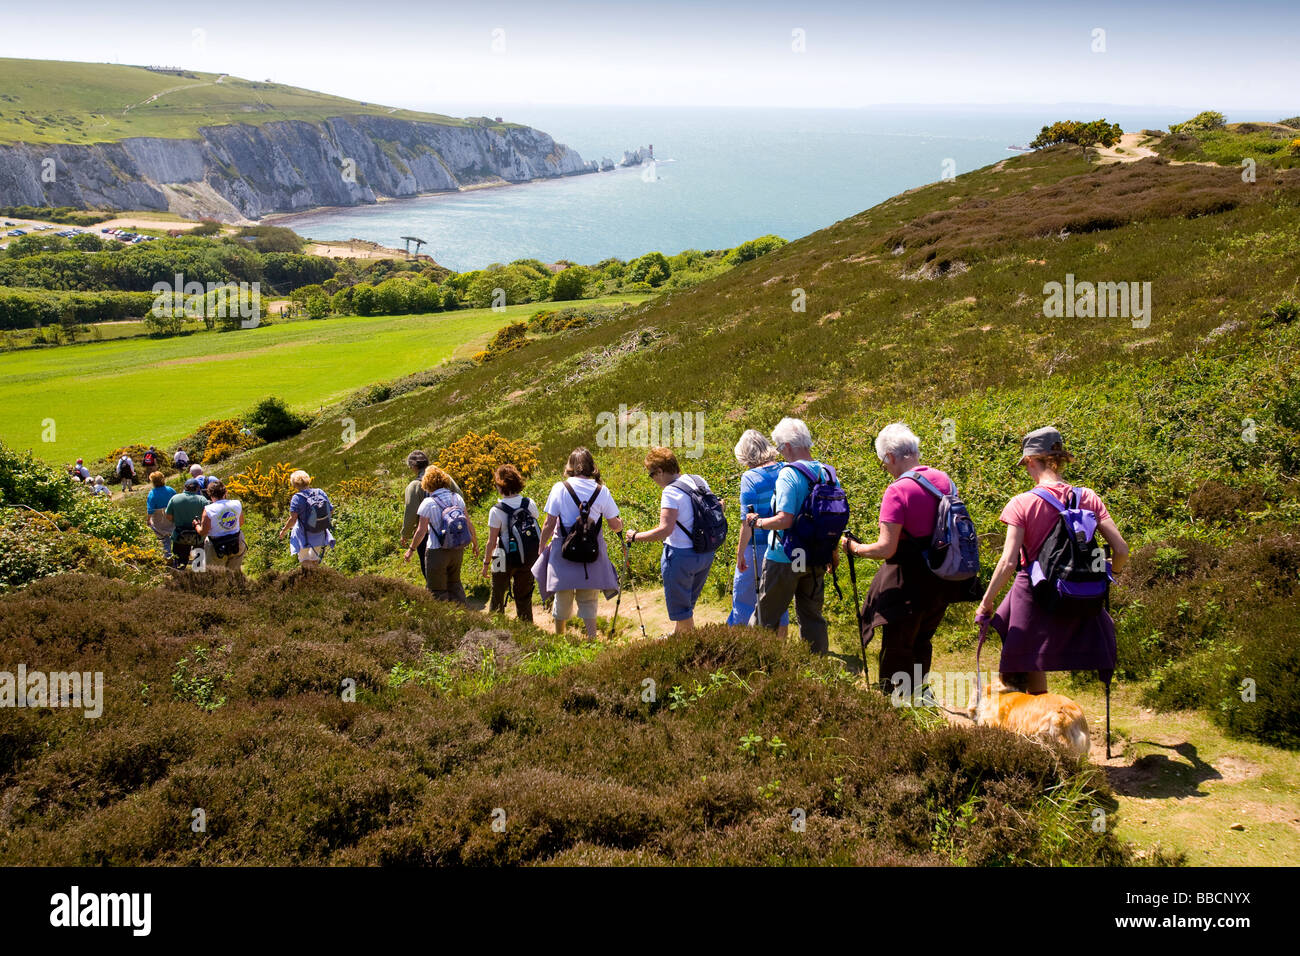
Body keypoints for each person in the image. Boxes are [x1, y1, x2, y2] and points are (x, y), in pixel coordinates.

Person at [976, 427, 1129, 694]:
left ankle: (1037, 724)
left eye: (1025, 464)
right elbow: (1121, 549)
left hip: (1035, 593)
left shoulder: (1021, 503)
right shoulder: (1089, 498)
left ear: (1032, 460)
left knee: (1027, 662)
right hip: (1082, 594)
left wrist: (987, 602)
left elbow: (1008, 563)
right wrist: (1107, 577)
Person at [843, 423, 980, 695]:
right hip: (942, 577)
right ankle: (917, 696)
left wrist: (854, 548)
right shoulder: (945, 480)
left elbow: (886, 549)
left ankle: (894, 704)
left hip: (908, 580)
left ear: (890, 457)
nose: (886, 469)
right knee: (922, 639)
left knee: (898, 643)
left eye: (884, 463)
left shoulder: (897, 490)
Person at [744, 417, 836, 655]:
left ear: (786, 446)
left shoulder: (789, 474)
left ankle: (758, 664)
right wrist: (832, 551)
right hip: (816, 555)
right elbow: (830, 518)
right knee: (812, 616)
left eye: (780, 446)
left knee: (766, 616)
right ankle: (817, 667)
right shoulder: (827, 472)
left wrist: (758, 522)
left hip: (785, 557)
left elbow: (785, 519)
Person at [624, 447, 718, 634]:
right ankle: (678, 636)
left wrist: (635, 536)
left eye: (651, 475)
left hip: (681, 556)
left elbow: (664, 531)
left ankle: (687, 650)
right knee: (687, 603)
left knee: (681, 610)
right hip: (706, 552)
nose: (652, 480)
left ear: (659, 471)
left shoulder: (670, 492)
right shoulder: (698, 480)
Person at [537, 447, 623, 639]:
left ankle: (560, 637)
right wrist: (621, 526)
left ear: (570, 466)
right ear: (592, 466)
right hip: (592, 550)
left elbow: (549, 523)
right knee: (589, 596)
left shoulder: (560, 488)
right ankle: (592, 638)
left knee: (563, 594)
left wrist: (542, 545)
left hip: (563, 549)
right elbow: (614, 524)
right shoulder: (602, 491)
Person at [729, 429, 788, 636]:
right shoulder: (785, 469)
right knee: (779, 596)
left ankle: (744, 642)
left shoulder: (750, 477)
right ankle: (782, 648)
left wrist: (740, 553)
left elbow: (747, 521)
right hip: (783, 542)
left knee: (744, 597)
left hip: (758, 544)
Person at [404, 465, 477, 603]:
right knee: (455, 585)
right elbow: (468, 523)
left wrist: (411, 549)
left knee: (437, 591)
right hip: (457, 550)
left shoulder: (428, 503)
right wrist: (475, 543)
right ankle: (465, 618)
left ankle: (443, 622)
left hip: (436, 552)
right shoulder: (457, 498)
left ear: (427, 483)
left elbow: (421, 531)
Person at [480, 464, 539, 622]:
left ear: (500, 485)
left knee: (498, 593)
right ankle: (526, 629)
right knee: (524, 596)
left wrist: (486, 564)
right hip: (527, 556)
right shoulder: (529, 503)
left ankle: (496, 628)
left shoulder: (496, 510)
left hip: (501, 555)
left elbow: (492, 542)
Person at [400, 450, 464, 575]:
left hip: (428, 535)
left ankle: (436, 593)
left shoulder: (414, 486)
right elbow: (460, 495)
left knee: (431, 572)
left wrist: (405, 534)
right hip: (452, 529)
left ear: (413, 466)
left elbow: (411, 513)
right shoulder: (445, 478)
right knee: (452, 570)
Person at [279, 470, 336, 567]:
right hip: (319, 531)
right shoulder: (320, 492)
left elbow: (293, 519)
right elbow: (330, 510)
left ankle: (308, 580)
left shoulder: (297, 498)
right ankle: (316, 579)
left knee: (304, 560)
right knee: (314, 559)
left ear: (294, 484)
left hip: (303, 534)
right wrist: (321, 521)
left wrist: (284, 530)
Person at [196, 479, 247, 572]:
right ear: (225, 492)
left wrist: (196, 525)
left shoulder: (208, 509)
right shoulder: (236, 504)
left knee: (216, 575)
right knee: (234, 574)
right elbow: (241, 522)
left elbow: (203, 532)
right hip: (237, 541)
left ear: (210, 495)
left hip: (217, 546)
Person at [165, 477, 209, 568]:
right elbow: (208, 516)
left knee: (179, 564)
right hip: (198, 536)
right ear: (197, 488)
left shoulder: (175, 498)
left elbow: (168, 516)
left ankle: (179, 578)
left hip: (179, 536)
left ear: (184, 487)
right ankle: (199, 578)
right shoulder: (202, 500)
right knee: (199, 564)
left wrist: (177, 520)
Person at [145, 471, 176, 562]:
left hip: (159, 520)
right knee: (173, 534)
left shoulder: (152, 493)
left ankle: (167, 555)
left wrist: (148, 520)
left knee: (164, 537)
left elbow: (150, 510)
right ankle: (177, 554)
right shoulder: (170, 490)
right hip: (171, 517)